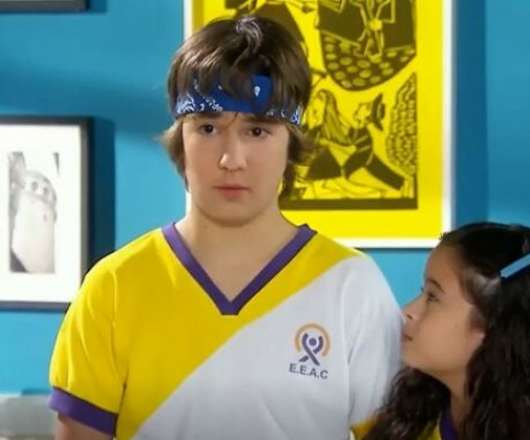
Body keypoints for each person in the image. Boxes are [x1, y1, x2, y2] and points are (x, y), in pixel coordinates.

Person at [48, 15, 401, 440]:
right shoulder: (113, 288)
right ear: (181, 140)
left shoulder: (353, 287)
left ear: (290, 144)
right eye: (209, 128)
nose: (231, 159)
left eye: (258, 130)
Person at [355, 222, 530, 440]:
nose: (407, 310)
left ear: (495, 320)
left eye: (433, 297)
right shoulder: (400, 426)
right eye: (422, 292)